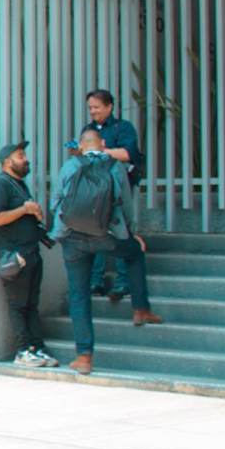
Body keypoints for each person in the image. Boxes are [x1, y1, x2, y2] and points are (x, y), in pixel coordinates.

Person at [52, 129, 162, 375]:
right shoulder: (114, 166)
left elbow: (56, 200)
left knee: (79, 296)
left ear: (81, 146)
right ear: (102, 144)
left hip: (74, 240)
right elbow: (125, 202)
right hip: (108, 237)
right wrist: (131, 232)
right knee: (134, 254)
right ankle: (140, 309)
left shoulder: (70, 165)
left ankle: (84, 357)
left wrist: (60, 232)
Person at [0, 140, 56, 368]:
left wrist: (34, 213)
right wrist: (24, 210)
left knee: (31, 304)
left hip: (31, 252)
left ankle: (37, 347)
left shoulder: (20, 185)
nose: (25, 159)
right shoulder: (0, 185)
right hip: (14, 255)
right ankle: (23, 350)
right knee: (17, 305)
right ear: (7, 162)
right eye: (20, 155)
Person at [75, 89, 143, 301]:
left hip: (119, 188)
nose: (92, 111)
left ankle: (124, 282)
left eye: (96, 107)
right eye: (90, 108)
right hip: (95, 189)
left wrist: (100, 151)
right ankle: (96, 280)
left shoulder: (123, 128)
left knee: (121, 232)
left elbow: (128, 154)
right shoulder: (87, 129)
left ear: (109, 106)